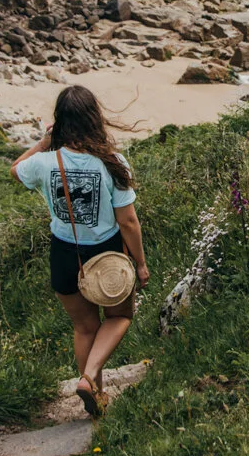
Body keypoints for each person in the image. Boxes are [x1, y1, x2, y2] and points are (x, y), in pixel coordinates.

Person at [10, 85, 149, 416]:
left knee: (84, 327)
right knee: (120, 316)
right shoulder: (112, 163)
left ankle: (96, 396)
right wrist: (141, 264)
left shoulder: (44, 163)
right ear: (94, 118)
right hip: (107, 254)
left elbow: (15, 168)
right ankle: (88, 378)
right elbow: (128, 222)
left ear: (60, 122)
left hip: (63, 254)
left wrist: (45, 142)